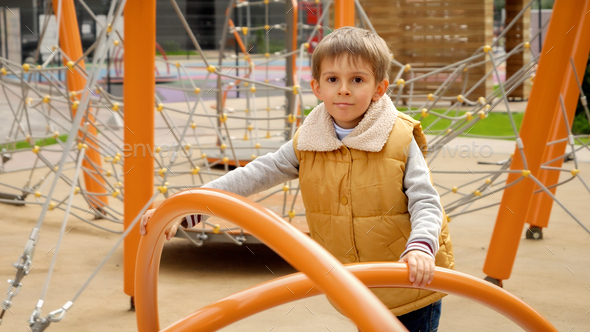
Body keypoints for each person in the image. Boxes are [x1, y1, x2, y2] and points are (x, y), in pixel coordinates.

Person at [140, 26, 454, 331]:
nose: (343, 89)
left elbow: (425, 200)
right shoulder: (310, 139)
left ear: (378, 89)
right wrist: (185, 207)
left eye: (357, 79)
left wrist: (421, 247)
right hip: (358, 287)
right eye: (333, 79)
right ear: (317, 87)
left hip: (410, 282)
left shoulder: (397, 138)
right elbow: (257, 173)